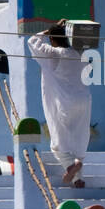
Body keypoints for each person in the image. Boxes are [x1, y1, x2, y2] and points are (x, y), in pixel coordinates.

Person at [27, 21, 91, 187]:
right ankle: (78, 179)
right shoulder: (78, 54)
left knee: (57, 143)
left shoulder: (52, 53)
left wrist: (46, 31)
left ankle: (70, 166)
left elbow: (32, 42)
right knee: (79, 136)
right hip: (84, 101)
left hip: (64, 102)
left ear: (53, 40)